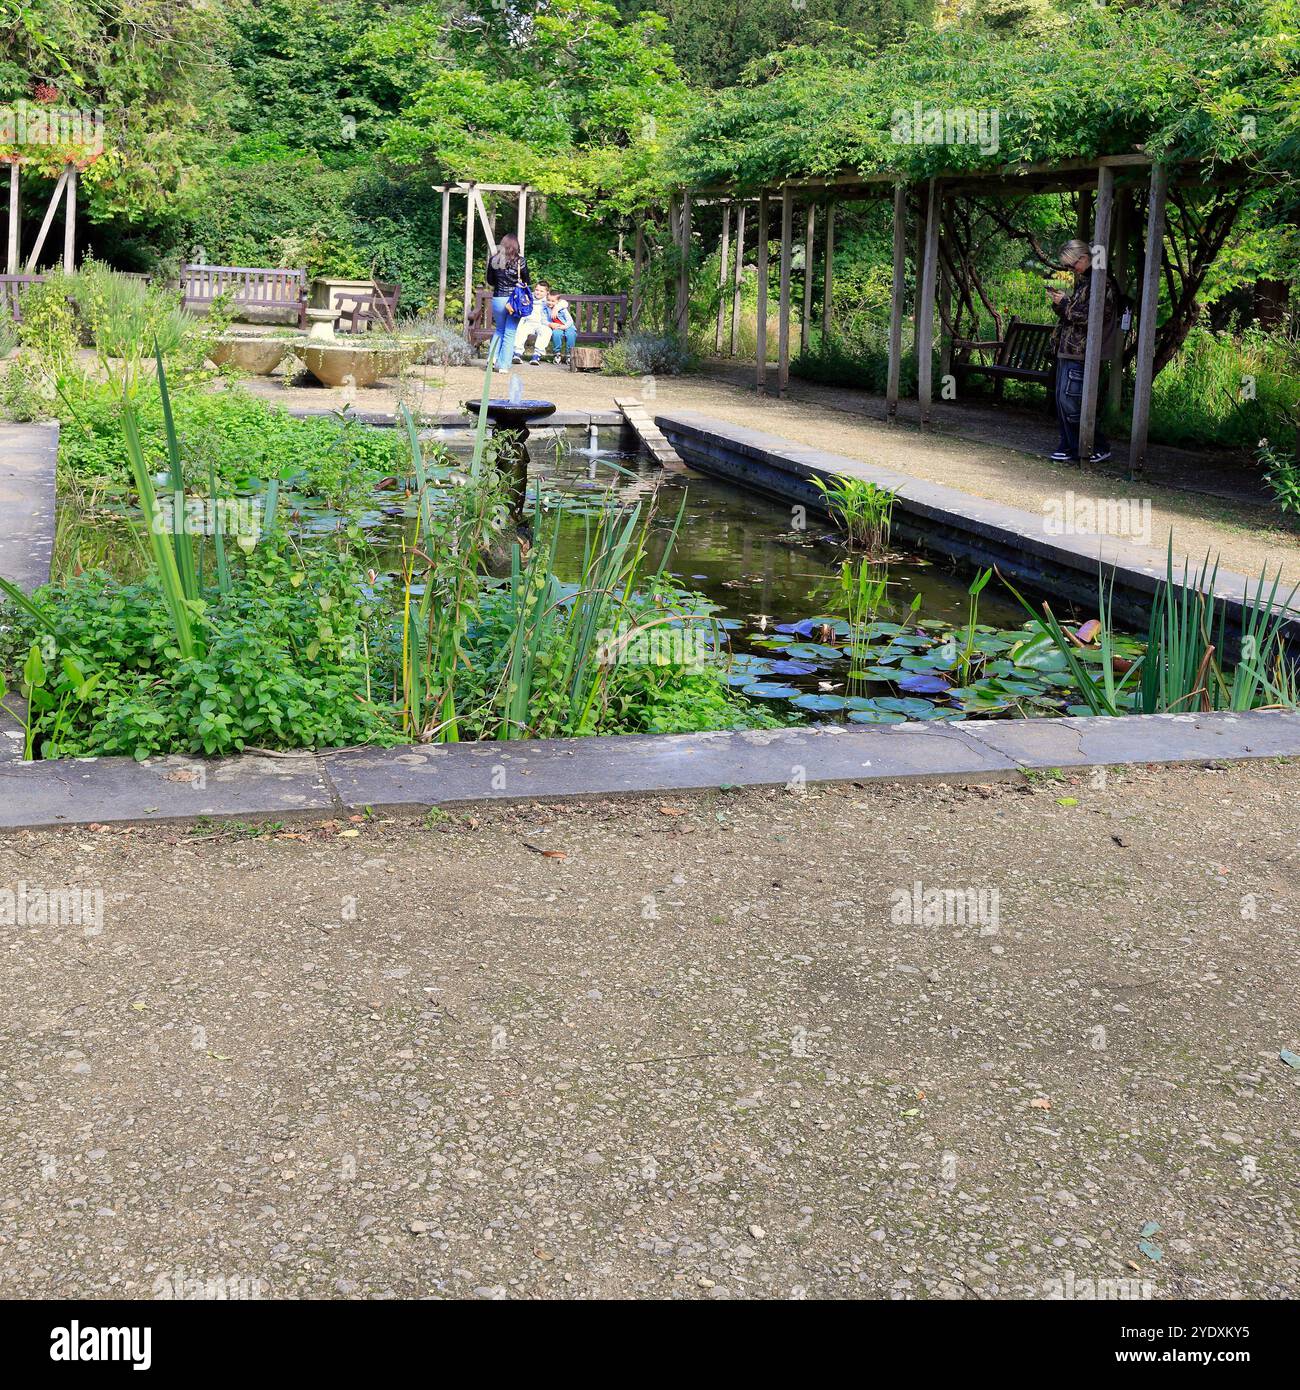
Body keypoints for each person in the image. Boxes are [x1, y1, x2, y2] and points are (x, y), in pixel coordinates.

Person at [1047, 238, 1116, 464]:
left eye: (1071, 265)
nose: (1070, 270)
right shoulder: (1086, 282)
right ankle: (1069, 445)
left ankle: (1095, 445)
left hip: (1083, 351)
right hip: (1069, 349)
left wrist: (1066, 303)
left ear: (1084, 258)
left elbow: (1090, 317)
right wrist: (1061, 305)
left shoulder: (1101, 283)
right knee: (1062, 400)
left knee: (1072, 402)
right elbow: (1073, 316)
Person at [484, 233, 530, 372]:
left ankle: (491, 360)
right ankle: (503, 366)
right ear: (516, 246)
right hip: (514, 301)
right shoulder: (520, 262)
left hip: (498, 299)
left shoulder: (494, 260)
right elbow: (527, 281)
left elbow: (490, 281)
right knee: (510, 332)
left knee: (499, 330)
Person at [516, 282, 554, 363]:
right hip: (528, 323)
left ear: (547, 292)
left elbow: (563, 303)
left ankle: (537, 355)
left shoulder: (549, 300)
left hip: (542, 324)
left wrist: (558, 308)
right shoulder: (529, 297)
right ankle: (517, 353)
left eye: (541, 291)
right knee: (521, 330)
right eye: (537, 290)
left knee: (547, 331)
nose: (538, 292)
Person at [547, 295, 577, 365]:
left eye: (553, 301)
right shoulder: (546, 309)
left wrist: (565, 326)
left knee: (571, 334)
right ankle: (557, 354)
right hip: (557, 327)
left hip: (568, 326)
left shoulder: (562, 309)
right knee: (556, 334)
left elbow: (570, 320)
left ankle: (569, 354)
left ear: (557, 302)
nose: (550, 303)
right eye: (548, 300)